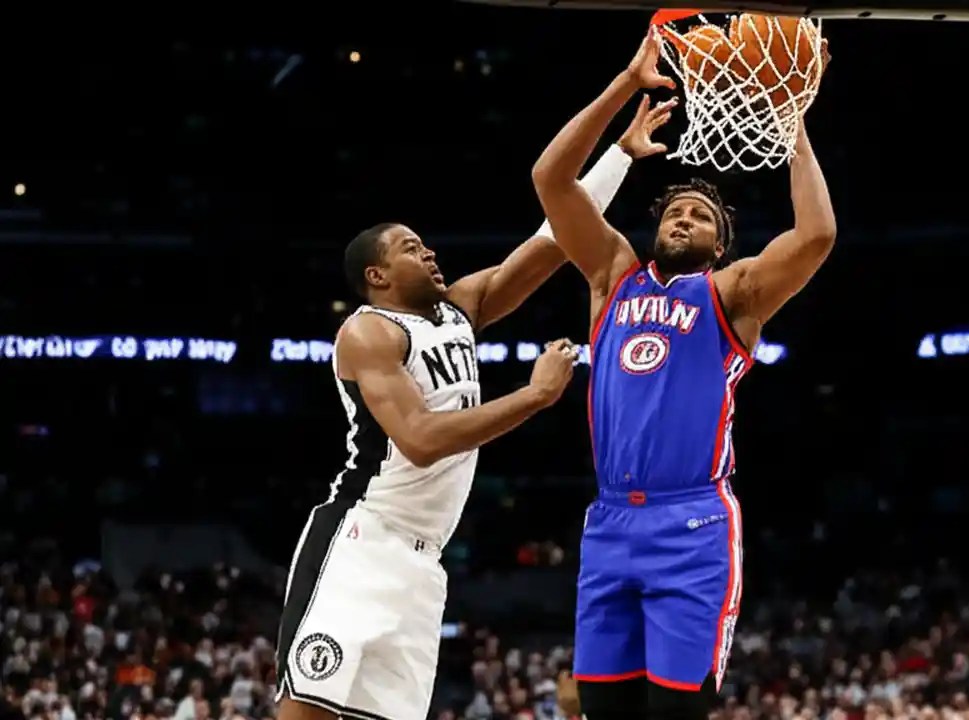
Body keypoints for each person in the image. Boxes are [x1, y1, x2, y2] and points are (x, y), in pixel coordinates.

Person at [273, 98, 675, 720]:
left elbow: (553, 239)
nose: (430, 253)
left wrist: (620, 154)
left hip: (423, 562)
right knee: (309, 712)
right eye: (411, 249)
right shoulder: (369, 332)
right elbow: (421, 438)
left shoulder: (461, 310)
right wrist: (536, 395)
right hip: (360, 539)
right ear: (377, 276)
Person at [531, 28, 836, 720]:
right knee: (600, 711)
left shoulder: (734, 294)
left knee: (674, 714)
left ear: (720, 244)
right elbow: (550, 180)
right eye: (674, 211)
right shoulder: (612, 277)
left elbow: (816, 237)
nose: (684, 218)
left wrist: (792, 122)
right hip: (609, 520)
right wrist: (625, 85)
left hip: (692, 522)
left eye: (699, 216)